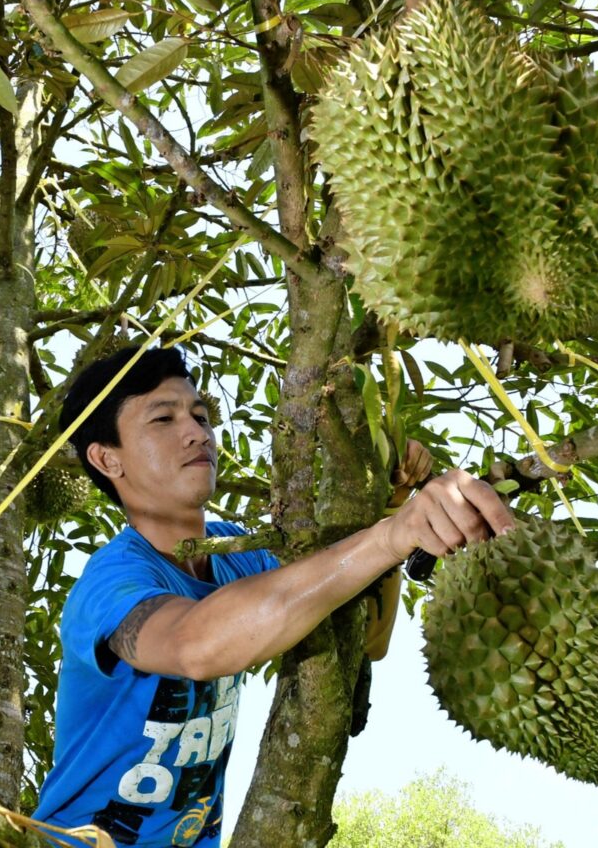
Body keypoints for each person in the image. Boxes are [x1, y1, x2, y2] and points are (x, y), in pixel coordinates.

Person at [32, 346, 515, 847]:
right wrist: (390, 535)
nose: (198, 432)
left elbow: (368, 636)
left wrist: (396, 514)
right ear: (107, 458)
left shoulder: (242, 558)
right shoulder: (111, 581)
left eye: (200, 415)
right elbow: (197, 646)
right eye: (163, 418)